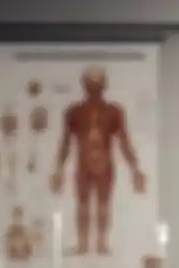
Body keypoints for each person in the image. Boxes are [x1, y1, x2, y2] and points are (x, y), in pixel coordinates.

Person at [50, 67, 148, 256]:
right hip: (83, 164)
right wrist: (58, 169)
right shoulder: (74, 111)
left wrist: (135, 168)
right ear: (84, 86)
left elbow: (124, 141)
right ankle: (83, 244)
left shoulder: (113, 111)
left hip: (104, 164)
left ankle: (101, 243)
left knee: (102, 203)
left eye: (97, 83)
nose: (94, 87)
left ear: (104, 86)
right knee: (84, 203)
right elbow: (65, 142)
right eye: (91, 83)